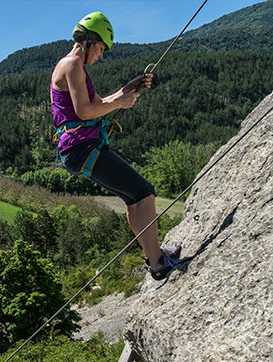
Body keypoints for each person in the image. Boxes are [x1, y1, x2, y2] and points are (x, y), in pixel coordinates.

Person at [51, 11, 183, 280]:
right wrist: (120, 103)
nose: (101, 55)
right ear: (89, 41)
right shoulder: (72, 65)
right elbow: (86, 111)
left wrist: (127, 90)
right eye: (100, 49)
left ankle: (154, 254)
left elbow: (100, 103)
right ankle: (157, 263)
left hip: (79, 149)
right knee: (145, 192)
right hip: (82, 147)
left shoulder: (76, 68)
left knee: (134, 200)